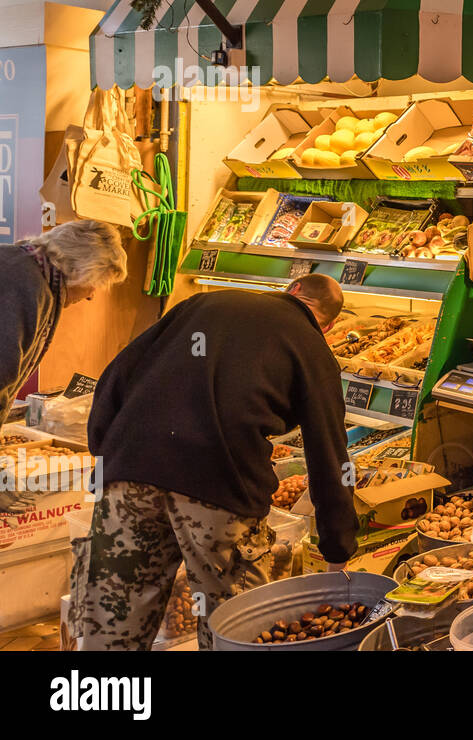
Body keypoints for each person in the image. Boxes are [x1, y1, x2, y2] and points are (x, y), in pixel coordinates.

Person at [74, 275, 358, 650]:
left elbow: (116, 373)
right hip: (219, 488)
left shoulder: (202, 305)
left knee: (114, 612)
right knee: (233, 621)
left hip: (129, 474)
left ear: (290, 289)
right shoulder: (311, 345)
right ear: (329, 325)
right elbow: (329, 453)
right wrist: (338, 550)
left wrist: (107, 452)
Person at [0, 220, 128, 412]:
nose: (91, 295)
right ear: (81, 270)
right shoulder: (29, 286)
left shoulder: (14, 261)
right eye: (95, 282)